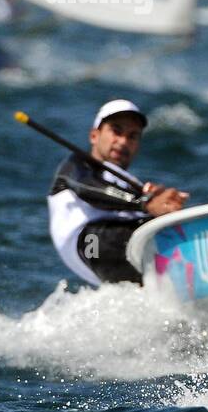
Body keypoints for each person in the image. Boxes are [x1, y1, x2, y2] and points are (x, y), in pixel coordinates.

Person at [47, 100, 189, 285]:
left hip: (121, 245)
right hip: (92, 245)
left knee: (168, 228)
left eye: (132, 136)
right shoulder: (76, 165)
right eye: (116, 131)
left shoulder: (133, 184)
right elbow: (88, 188)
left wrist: (167, 206)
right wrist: (145, 203)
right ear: (94, 136)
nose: (123, 142)